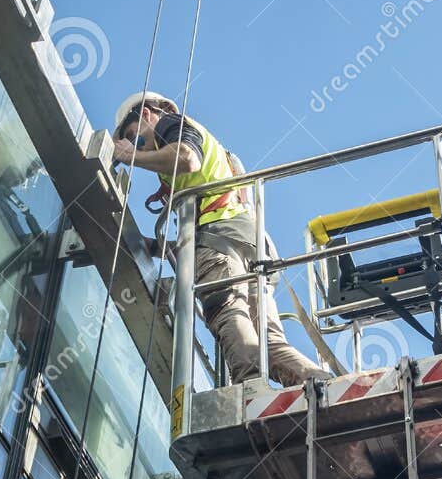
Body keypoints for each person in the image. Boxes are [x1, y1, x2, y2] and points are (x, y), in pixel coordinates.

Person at [111, 91, 326, 387]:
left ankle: (249, 393)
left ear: (147, 114)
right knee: (269, 343)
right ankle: (321, 386)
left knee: (228, 312)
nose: (138, 144)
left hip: (222, 241)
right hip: (247, 245)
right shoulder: (195, 150)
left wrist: (129, 155)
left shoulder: (169, 126)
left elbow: (187, 159)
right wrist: (153, 247)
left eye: (134, 135)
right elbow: (202, 233)